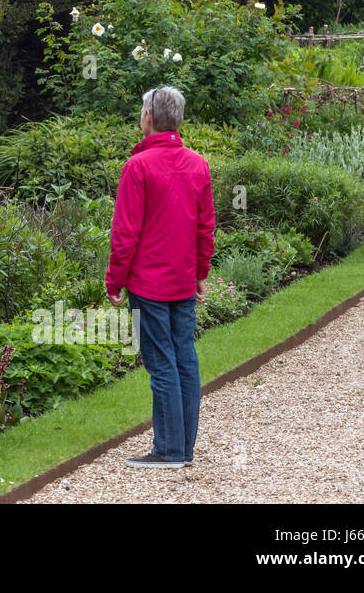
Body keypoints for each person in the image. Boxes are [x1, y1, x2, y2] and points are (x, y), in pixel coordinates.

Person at [106, 85, 215, 469]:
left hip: (149, 285)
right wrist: (201, 272)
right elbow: (205, 228)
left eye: (141, 113)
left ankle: (168, 451)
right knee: (184, 357)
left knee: (162, 362)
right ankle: (182, 448)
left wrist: (114, 280)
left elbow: (126, 233)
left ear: (149, 117)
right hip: (183, 282)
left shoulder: (137, 167)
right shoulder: (197, 165)